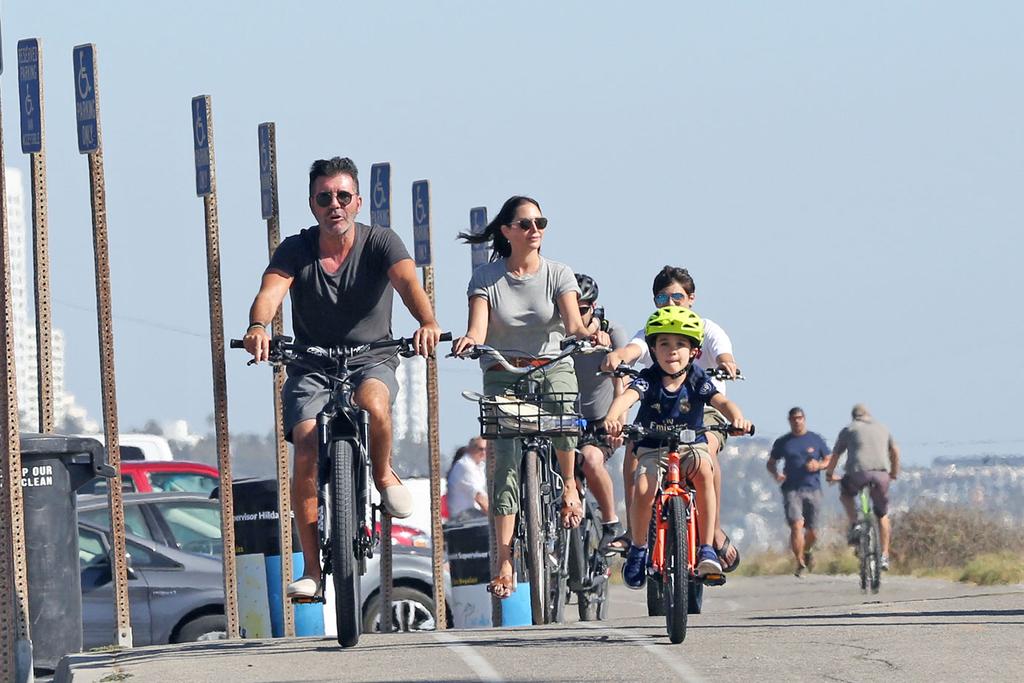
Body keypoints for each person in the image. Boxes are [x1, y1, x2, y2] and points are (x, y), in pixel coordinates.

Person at [242, 157, 443, 599]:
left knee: (374, 404)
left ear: (357, 201)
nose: (335, 204)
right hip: (310, 363)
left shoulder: (381, 242)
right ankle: (314, 572)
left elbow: (409, 283)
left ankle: (383, 474)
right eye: (324, 197)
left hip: (372, 358)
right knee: (307, 443)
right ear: (313, 204)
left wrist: (427, 321)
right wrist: (259, 327)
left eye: (343, 196)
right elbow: (270, 292)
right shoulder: (296, 248)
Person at [452, 195, 598, 599]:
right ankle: (504, 559)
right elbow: (478, 328)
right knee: (505, 466)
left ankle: (569, 485)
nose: (535, 230)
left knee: (564, 412)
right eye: (526, 224)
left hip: (551, 364)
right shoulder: (486, 278)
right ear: (507, 231)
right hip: (503, 371)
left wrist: (588, 334)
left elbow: (571, 323)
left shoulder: (558, 273)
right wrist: (469, 341)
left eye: (541, 223)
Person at [601, 266, 741, 571]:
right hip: (660, 411)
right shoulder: (655, 329)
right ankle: (634, 530)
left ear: (691, 298)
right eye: (662, 297)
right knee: (633, 452)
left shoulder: (705, 329)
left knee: (708, 455)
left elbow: (723, 355)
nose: (670, 303)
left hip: (703, 410)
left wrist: (727, 364)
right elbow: (633, 350)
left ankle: (711, 532)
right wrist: (617, 357)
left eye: (677, 296)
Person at [572, 273, 628, 552]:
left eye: (581, 309)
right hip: (562, 421)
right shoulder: (556, 332)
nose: (574, 315)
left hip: (599, 421)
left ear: (593, 307)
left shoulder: (611, 331)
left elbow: (623, 381)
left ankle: (610, 523)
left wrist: (619, 423)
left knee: (592, 460)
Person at [826, 403, 900, 571]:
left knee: (846, 494)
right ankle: (885, 556)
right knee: (882, 514)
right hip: (881, 476)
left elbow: (836, 454)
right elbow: (895, 451)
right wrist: (894, 472)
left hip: (858, 474)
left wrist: (830, 474)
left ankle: (855, 524)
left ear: (854, 416)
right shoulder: (883, 428)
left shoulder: (850, 429)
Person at [767, 407, 832, 577]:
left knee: (813, 531)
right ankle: (800, 561)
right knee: (796, 526)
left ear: (804, 419)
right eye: (793, 418)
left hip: (813, 488)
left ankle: (808, 550)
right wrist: (776, 474)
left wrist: (818, 466)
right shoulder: (783, 442)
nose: (797, 421)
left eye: (800, 418)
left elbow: (828, 459)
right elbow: (771, 462)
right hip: (791, 489)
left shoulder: (815, 439)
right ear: (789, 421)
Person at [446, 438, 489, 520]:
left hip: (473, 513)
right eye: (480, 449)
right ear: (471, 449)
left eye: (486, 449)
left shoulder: (479, 466)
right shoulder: (465, 466)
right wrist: (496, 517)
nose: (484, 452)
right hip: (462, 516)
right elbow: (480, 498)